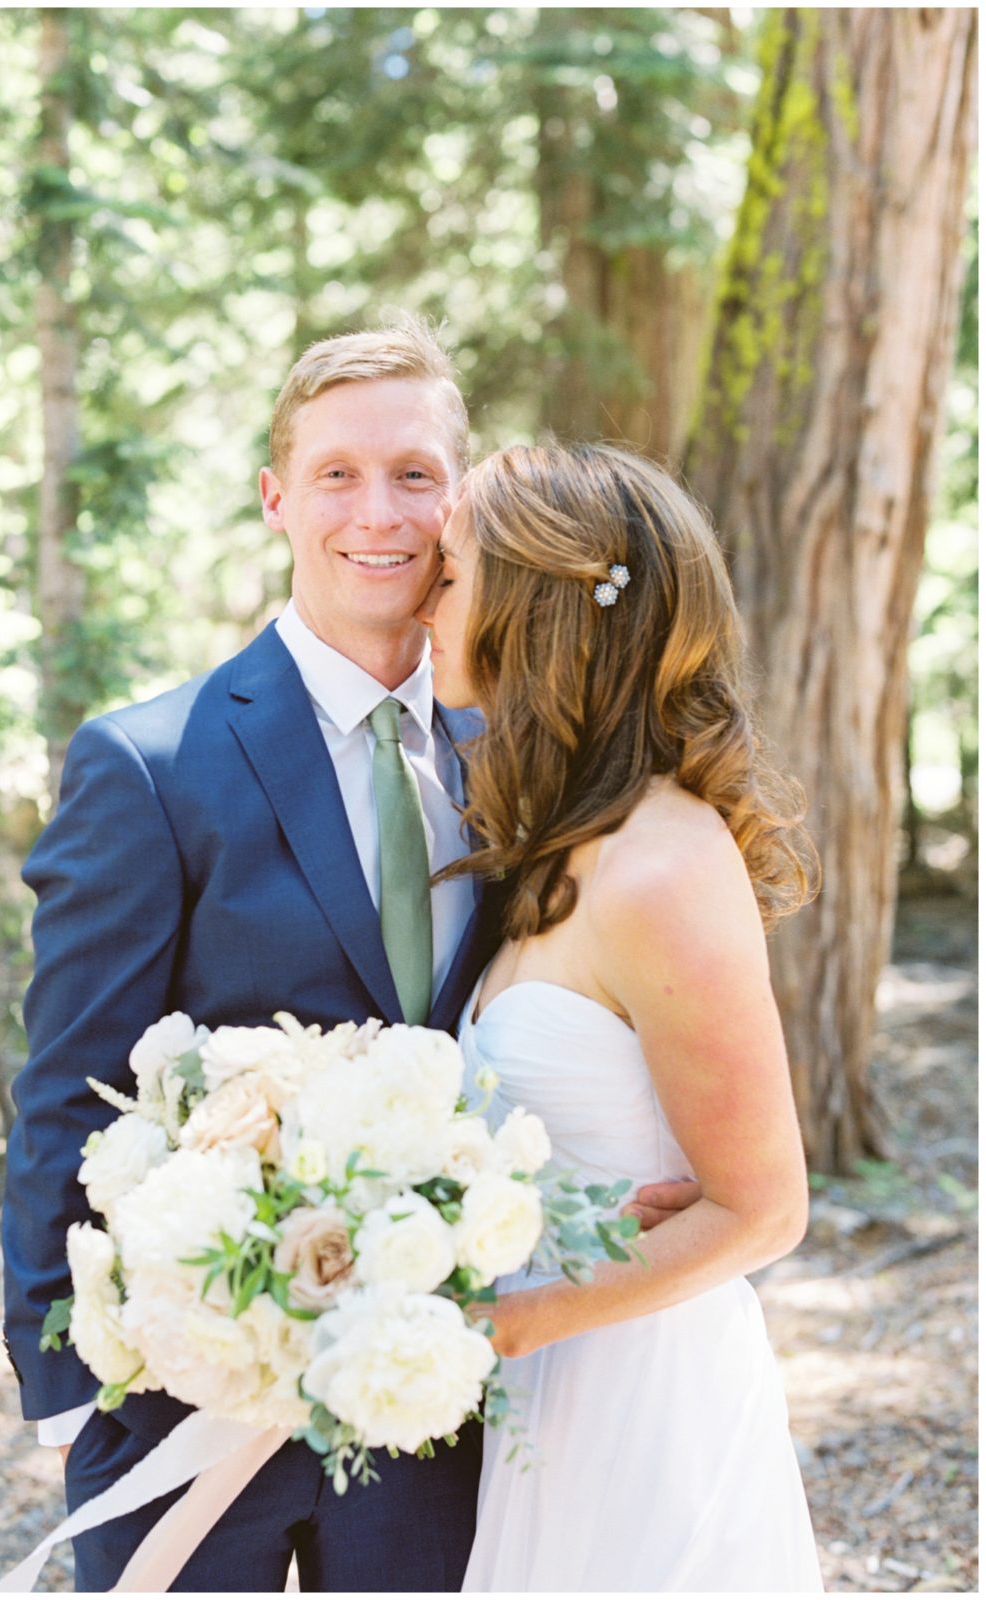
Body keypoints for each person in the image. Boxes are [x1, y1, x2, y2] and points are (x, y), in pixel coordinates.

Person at [0, 323, 695, 1593]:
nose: (379, 512)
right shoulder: (148, 766)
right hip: (191, 1401)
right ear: (276, 498)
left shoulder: (523, 764)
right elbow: (64, 1092)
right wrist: (74, 1401)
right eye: (336, 474)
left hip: (443, 1401)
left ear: (462, 498)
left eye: (416, 475)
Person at [417, 441, 825, 1592]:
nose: (425, 597)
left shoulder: (661, 864)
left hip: (643, 1395)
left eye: (453, 572)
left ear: (536, 607)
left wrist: (507, 1326)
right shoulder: (552, 843)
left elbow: (765, 1207)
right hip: (557, 1376)